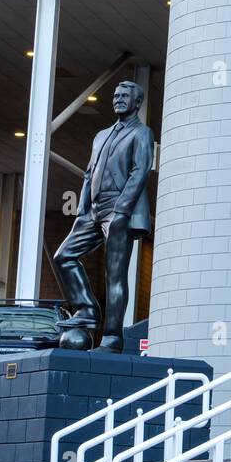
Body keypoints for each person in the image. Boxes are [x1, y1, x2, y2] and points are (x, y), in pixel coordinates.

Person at [52, 80, 155, 353]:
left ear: (137, 102)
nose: (118, 99)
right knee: (63, 256)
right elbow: (88, 173)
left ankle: (112, 339)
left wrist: (122, 209)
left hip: (119, 211)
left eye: (125, 96)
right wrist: (82, 210)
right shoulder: (101, 135)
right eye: (116, 95)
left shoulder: (141, 133)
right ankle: (87, 308)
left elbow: (140, 171)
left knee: (115, 276)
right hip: (94, 211)